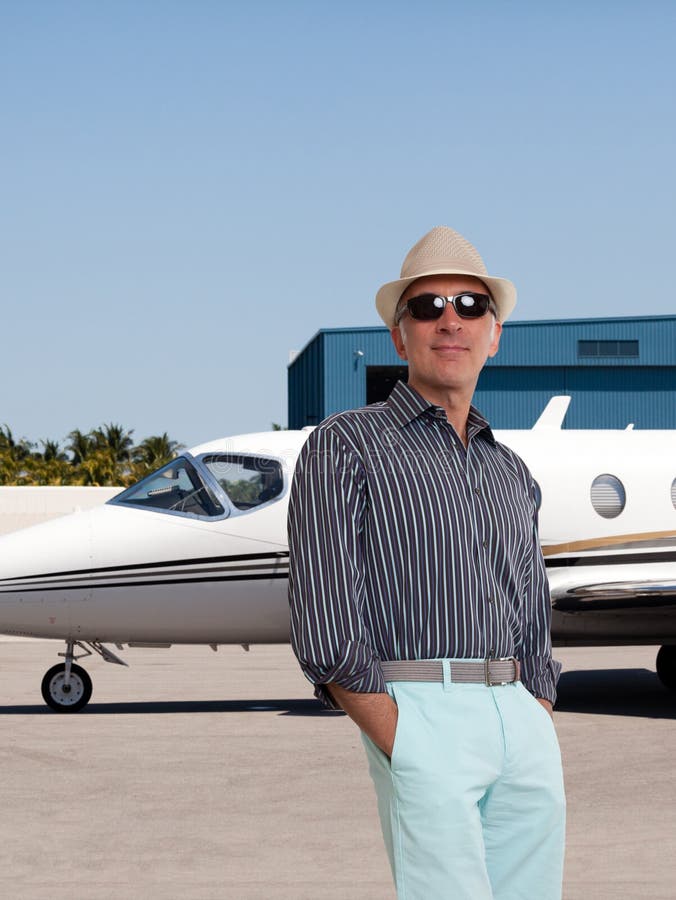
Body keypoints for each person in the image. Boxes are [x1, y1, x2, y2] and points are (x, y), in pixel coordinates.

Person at [287, 225, 565, 900]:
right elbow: (326, 624)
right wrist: (401, 737)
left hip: (521, 725)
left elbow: (532, 617)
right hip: (419, 714)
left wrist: (536, 714)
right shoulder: (346, 446)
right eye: (427, 305)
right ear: (399, 335)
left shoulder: (511, 472)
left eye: (471, 307)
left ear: (493, 334)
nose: (450, 319)